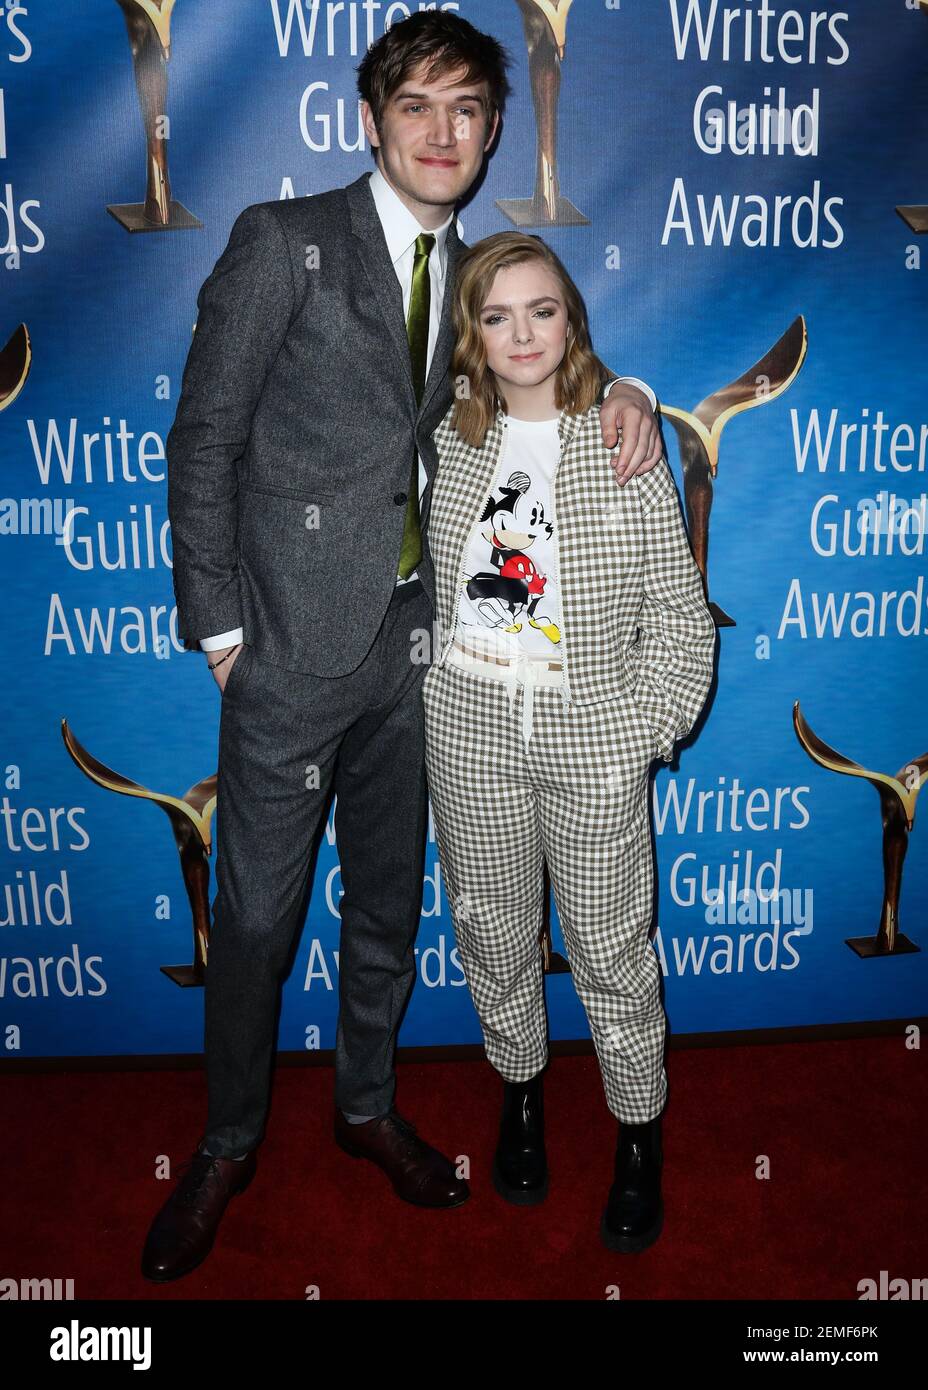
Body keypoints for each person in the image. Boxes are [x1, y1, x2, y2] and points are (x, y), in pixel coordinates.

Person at [148, 10, 663, 1282]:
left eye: (468, 110)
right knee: (258, 920)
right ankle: (225, 1144)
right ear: (370, 119)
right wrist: (219, 630)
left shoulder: (481, 273)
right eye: (418, 106)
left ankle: (366, 1106)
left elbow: (542, 374)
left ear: (493, 134)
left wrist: (633, 393)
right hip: (283, 654)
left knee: (387, 906)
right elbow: (203, 439)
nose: (444, 132)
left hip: (421, 653)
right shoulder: (286, 242)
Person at [421, 231, 716, 1252]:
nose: (520, 333)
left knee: (607, 948)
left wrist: (637, 733)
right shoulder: (449, 441)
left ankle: (639, 1132)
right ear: (473, 333)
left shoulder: (622, 444)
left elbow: (682, 626)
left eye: (540, 310)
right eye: (496, 316)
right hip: (468, 738)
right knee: (493, 933)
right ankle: (521, 1095)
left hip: (593, 740)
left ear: (572, 319)